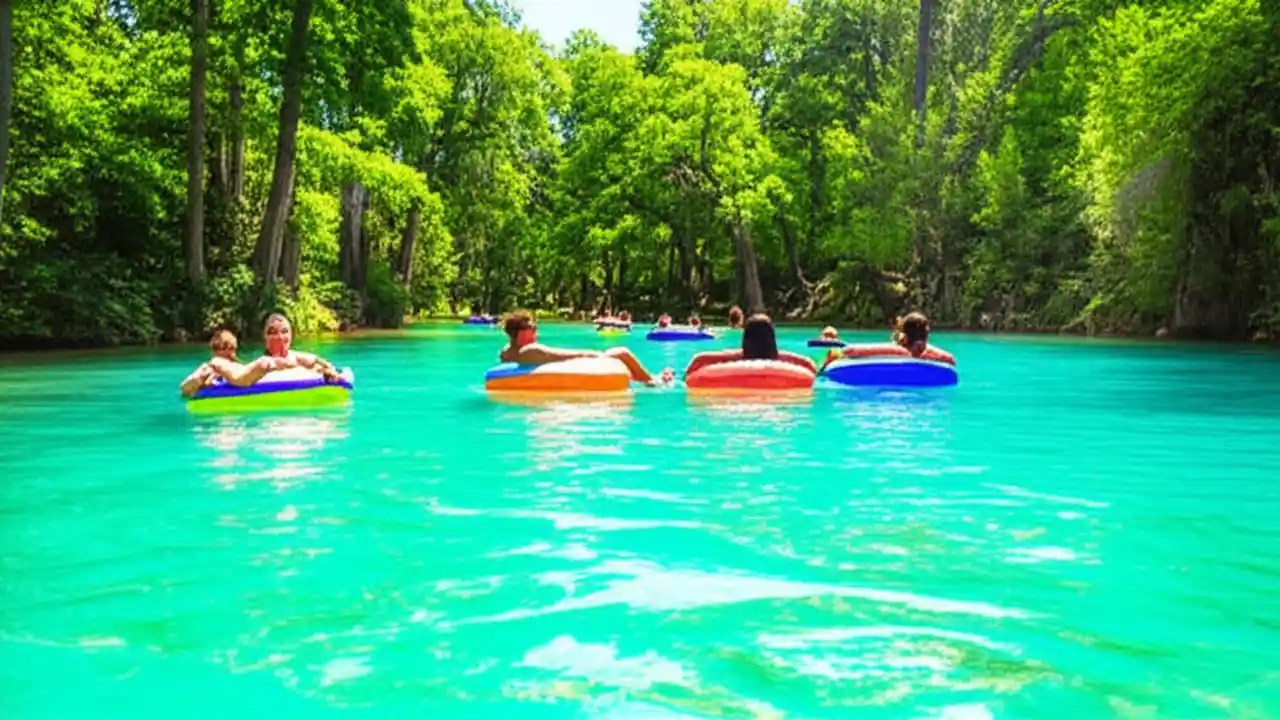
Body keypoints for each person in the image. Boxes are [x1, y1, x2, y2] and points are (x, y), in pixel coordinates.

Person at [499, 311, 666, 385]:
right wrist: (595, 355)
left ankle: (651, 379)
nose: (536, 333)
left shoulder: (507, 353)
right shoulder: (530, 350)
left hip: (562, 370)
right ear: (519, 333)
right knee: (621, 352)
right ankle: (654, 381)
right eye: (532, 329)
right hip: (577, 366)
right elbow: (566, 355)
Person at [685, 313, 818, 377]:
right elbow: (810, 365)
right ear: (771, 338)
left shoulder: (736, 357)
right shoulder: (781, 357)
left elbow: (698, 359)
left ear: (746, 338)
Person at [179, 328, 284, 397]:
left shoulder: (233, 365)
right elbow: (186, 388)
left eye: (232, 348)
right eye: (221, 348)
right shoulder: (211, 366)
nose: (230, 352)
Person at [262, 313, 341, 380]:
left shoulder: (297, 358)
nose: (280, 337)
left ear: (291, 335)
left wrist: (327, 371)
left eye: (285, 331)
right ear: (265, 336)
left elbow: (320, 363)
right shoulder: (260, 365)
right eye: (273, 332)